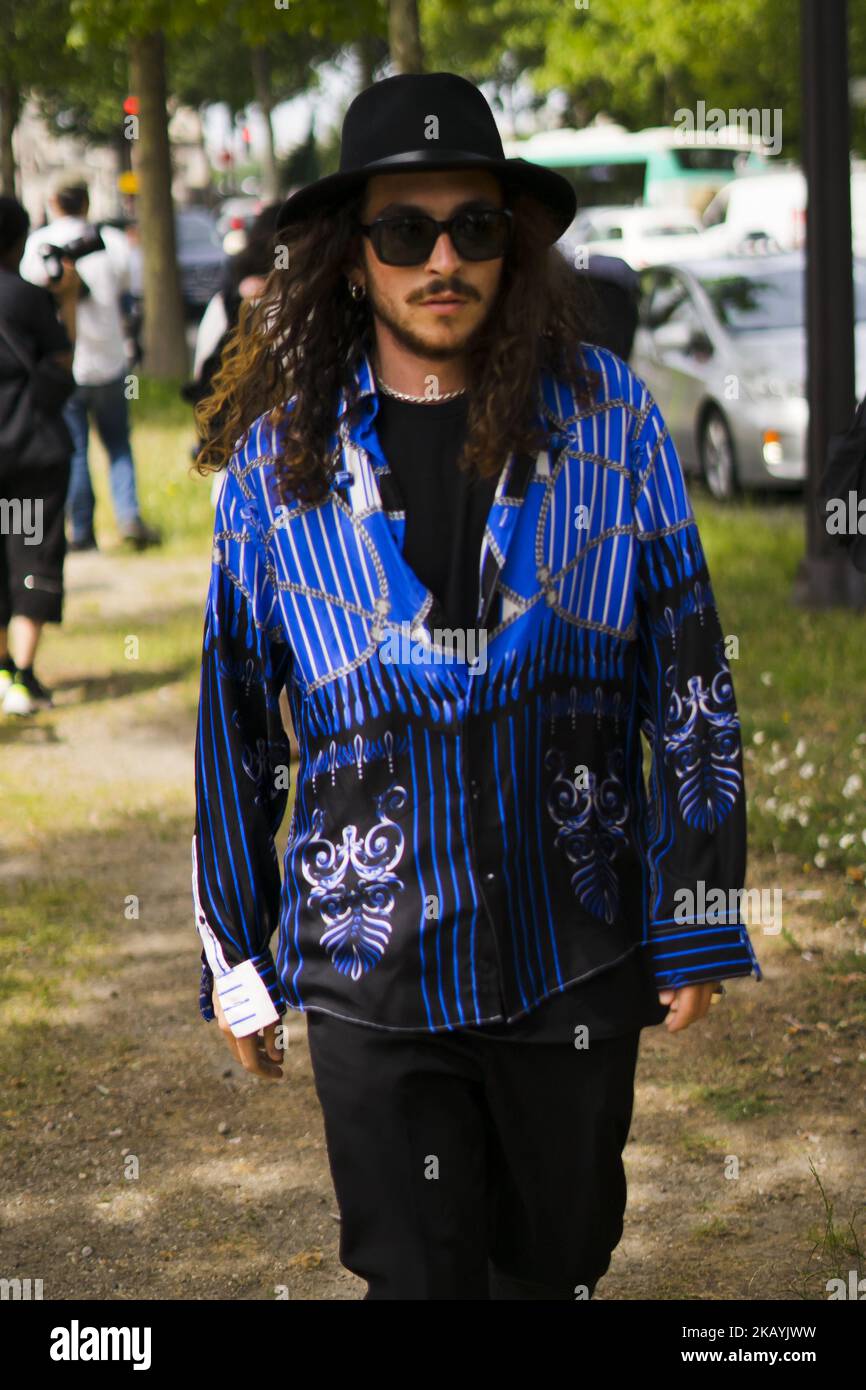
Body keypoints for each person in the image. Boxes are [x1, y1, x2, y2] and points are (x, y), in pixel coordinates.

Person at [189, 72, 762, 1301]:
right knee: (416, 1274)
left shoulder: (609, 423)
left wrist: (698, 902)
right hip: (374, 965)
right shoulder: (276, 466)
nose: (441, 258)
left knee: (555, 1264)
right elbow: (235, 713)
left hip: (571, 949)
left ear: (513, 246)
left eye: (475, 227)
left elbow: (690, 671)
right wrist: (233, 945)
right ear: (353, 258)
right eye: (405, 231)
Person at [19, 172, 160, 552]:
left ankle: (81, 531)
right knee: (118, 443)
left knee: (76, 448)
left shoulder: (37, 245)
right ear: (87, 203)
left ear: (53, 203)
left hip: (67, 365)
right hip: (111, 359)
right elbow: (128, 290)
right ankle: (128, 515)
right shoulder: (111, 242)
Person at [0, 195, 78, 714]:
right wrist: (66, 296)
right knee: (29, 549)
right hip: (28, 452)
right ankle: (22, 675)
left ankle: (3, 672)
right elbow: (62, 357)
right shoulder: (27, 297)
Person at [182, 202, 283, 508]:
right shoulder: (316, 312)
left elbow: (203, 372)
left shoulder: (228, 302)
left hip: (236, 450)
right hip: (296, 461)